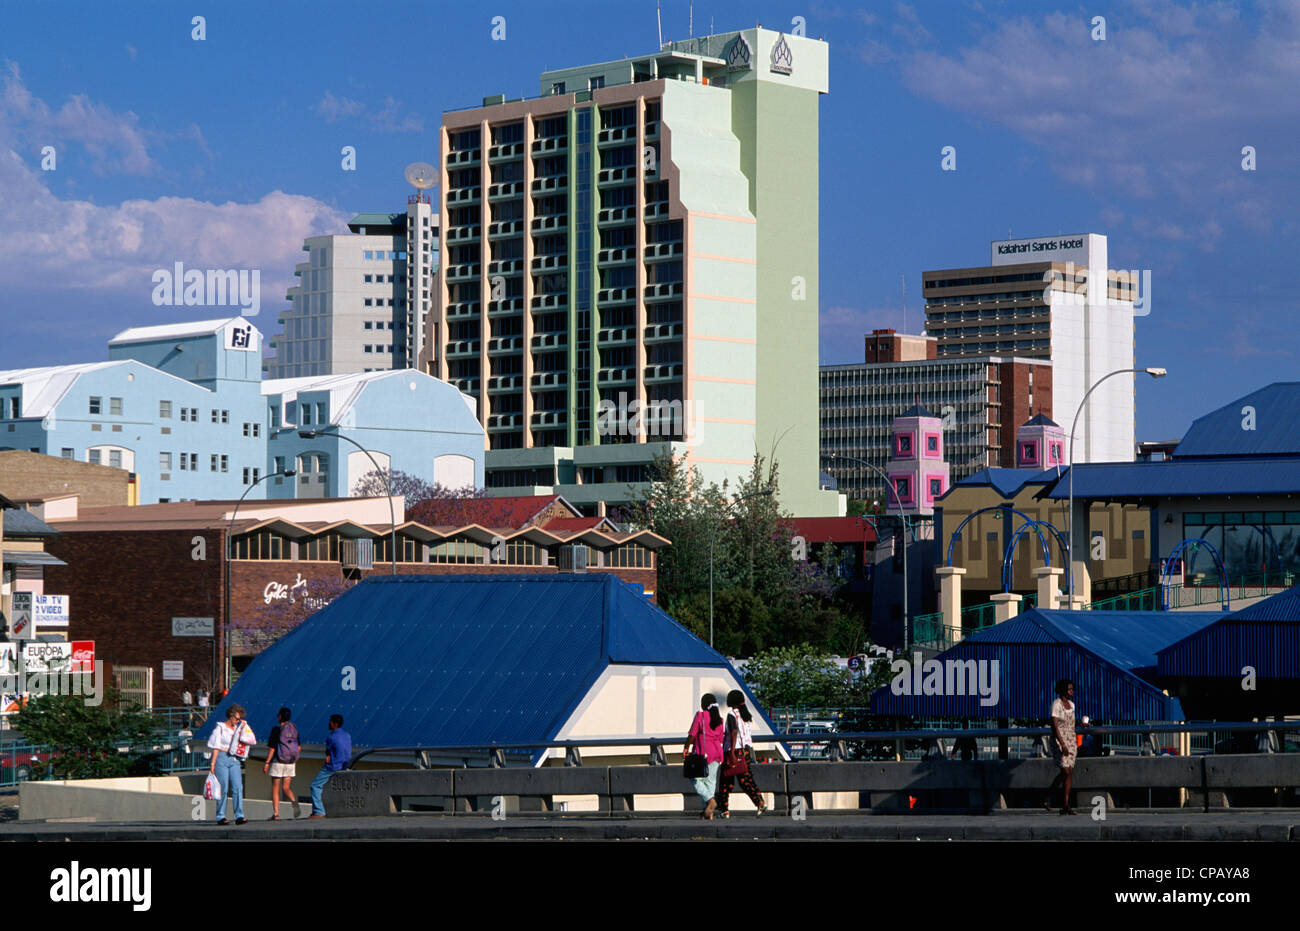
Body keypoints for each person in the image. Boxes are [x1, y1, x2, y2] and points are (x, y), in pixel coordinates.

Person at [713, 690, 766, 818]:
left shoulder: (732, 714)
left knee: (725, 781)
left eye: (728, 699)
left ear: (733, 701)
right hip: (746, 751)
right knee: (746, 780)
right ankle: (759, 801)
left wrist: (731, 752)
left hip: (733, 751)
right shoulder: (745, 715)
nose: (726, 701)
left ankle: (724, 810)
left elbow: (734, 732)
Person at [1043, 679, 1088, 815]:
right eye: (1069, 689)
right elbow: (1055, 725)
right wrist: (1062, 744)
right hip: (1060, 740)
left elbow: (1070, 723)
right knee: (1065, 770)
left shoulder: (1072, 705)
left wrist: (1081, 724)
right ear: (1063, 690)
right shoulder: (1056, 704)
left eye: (1072, 689)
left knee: (1069, 772)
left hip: (1071, 739)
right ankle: (1048, 796)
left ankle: (1066, 805)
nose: (1071, 692)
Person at [207, 704, 255, 825]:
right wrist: (213, 763)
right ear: (231, 716)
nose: (238, 721)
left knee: (237, 786)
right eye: (237, 718)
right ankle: (220, 815)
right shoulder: (221, 728)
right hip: (222, 757)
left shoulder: (238, 729)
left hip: (234, 759)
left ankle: (239, 815)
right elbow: (216, 746)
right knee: (223, 787)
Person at [683, 693, 725, 819]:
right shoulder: (720, 719)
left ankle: (710, 801)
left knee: (694, 778)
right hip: (717, 753)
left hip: (703, 753)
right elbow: (721, 738)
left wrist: (686, 747)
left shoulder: (700, 716)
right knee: (710, 782)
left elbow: (692, 734)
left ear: (704, 704)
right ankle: (708, 812)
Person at [309, 714, 351, 819]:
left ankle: (319, 811)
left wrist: (328, 757)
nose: (329, 723)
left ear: (335, 724)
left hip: (333, 766)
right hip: (345, 764)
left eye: (331, 722)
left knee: (315, 785)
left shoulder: (331, 737)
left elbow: (328, 751)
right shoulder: (347, 735)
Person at [263, 707, 302, 820]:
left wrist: (267, 762)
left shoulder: (277, 729)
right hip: (290, 762)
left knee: (275, 788)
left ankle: (276, 814)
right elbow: (298, 747)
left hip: (278, 761)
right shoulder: (293, 729)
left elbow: (272, 748)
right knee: (286, 787)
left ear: (280, 716)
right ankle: (294, 802)